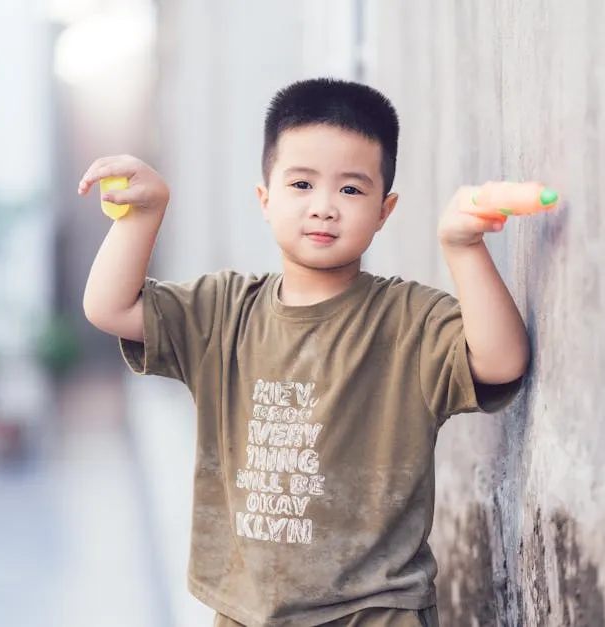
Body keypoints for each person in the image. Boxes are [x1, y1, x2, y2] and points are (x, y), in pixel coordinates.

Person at [79, 77, 529, 627]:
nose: (323, 208)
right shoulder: (223, 311)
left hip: (376, 610)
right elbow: (110, 308)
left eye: (351, 190)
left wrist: (464, 247)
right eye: (301, 184)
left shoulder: (408, 320)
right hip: (247, 612)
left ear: (385, 210)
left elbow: (501, 361)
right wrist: (145, 215)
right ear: (265, 199)